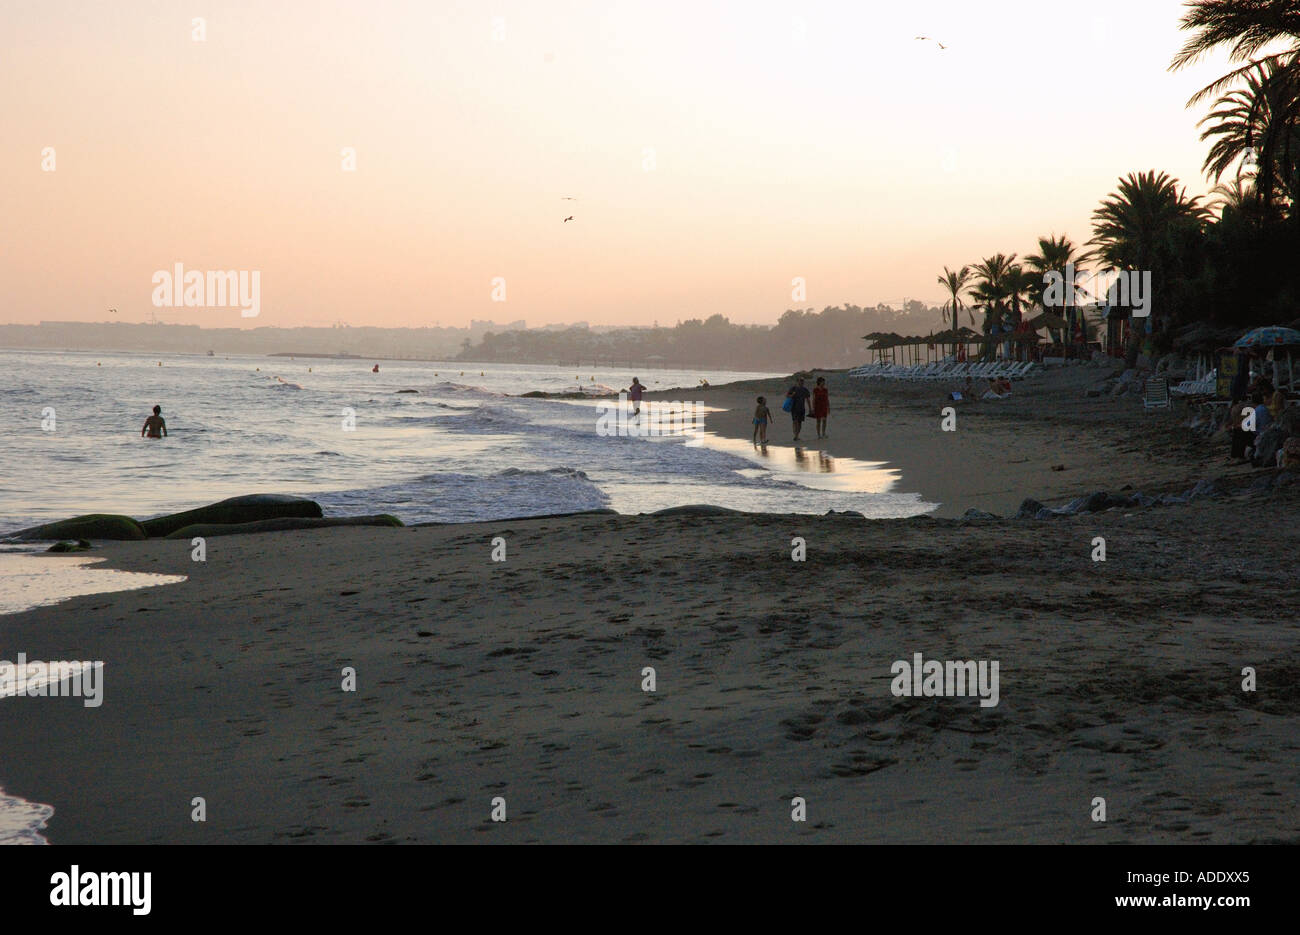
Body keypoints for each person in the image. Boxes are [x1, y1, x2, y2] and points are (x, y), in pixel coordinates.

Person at [785, 376, 811, 441]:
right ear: (797, 381)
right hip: (794, 408)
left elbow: (808, 399)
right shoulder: (793, 388)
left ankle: (797, 435)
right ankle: (795, 435)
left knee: (799, 423)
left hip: (802, 408)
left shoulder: (805, 390)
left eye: (802, 381)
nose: (801, 382)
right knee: (795, 421)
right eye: (800, 381)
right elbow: (787, 395)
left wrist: (810, 408)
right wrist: (792, 395)